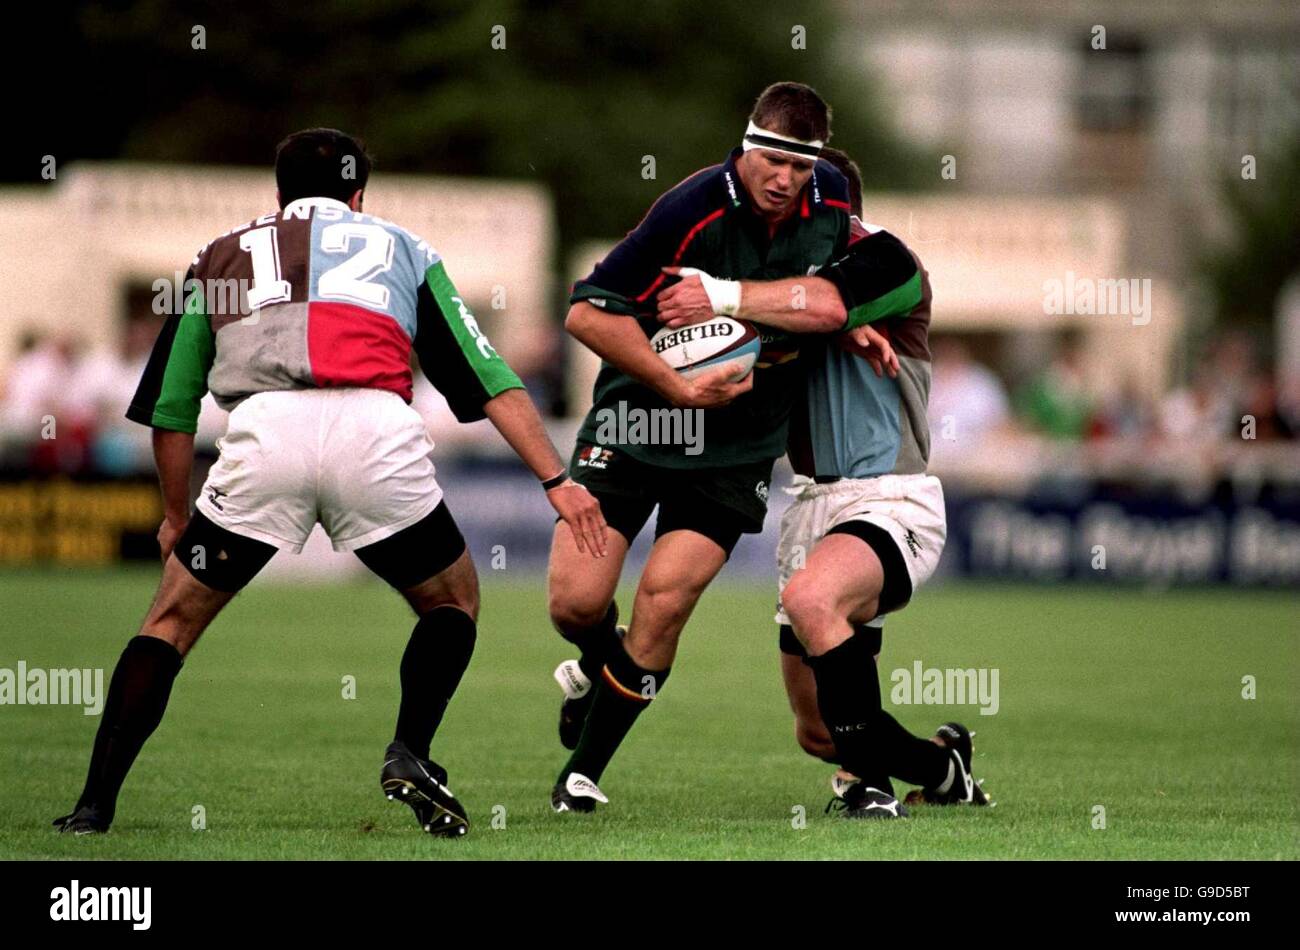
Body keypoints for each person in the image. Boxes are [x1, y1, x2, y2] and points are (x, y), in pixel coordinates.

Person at [52, 127, 606, 838]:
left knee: (169, 622)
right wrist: (556, 479)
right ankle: (411, 750)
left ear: (277, 195)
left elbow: (170, 407)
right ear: (359, 194)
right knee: (453, 600)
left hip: (265, 434)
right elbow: (491, 379)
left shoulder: (220, 255)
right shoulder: (404, 248)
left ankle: (94, 806)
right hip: (373, 431)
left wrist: (172, 512)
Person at [655, 146, 990, 819]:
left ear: (836, 208)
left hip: (889, 497)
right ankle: (942, 768)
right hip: (808, 505)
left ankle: (869, 788)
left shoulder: (891, 260)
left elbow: (829, 306)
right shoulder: (778, 276)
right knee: (816, 732)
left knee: (814, 600)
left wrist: (731, 301)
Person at [547, 82, 854, 812]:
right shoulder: (690, 208)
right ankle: (600, 661)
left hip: (738, 446)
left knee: (665, 601)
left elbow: (832, 296)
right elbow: (586, 313)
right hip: (637, 423)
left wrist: (848, 319)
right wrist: (673, 385)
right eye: (773, 160)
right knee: (573, 601)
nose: (785, 179)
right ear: (746, 147)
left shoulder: (835, 199)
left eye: (800, 167)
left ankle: (581, 774)